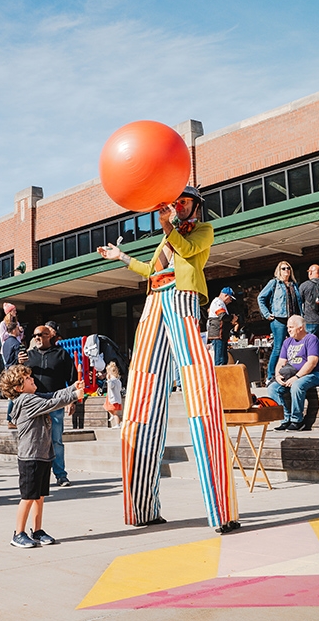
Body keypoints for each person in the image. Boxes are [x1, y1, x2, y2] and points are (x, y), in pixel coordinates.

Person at [97, 185, 239, 533]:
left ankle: (222, 512)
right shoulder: (168, 235)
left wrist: (168, 226)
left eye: (184, 201)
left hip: (182, 298)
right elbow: (150, 270)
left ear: (195, 206)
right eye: (175, 202)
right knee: (142, 393)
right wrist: (121, 257)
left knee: (197, 381)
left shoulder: (203, 230)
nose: (178, 205)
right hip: (154, 302)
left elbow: (188, 250)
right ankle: (142, 508)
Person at [0, 364, 84, 548]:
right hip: (30, 457)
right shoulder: (26, 400)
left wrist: (72, 388)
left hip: (42, 455)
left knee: (40, 496)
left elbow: (52, 395)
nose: (32, 379)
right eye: (27, 379)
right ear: (20, 388)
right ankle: (18, 533)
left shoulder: (34, 396)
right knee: (28, 497)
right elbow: (51, 404)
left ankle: (37, 531)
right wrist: (74, 396)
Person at [19, 325, 76, 487]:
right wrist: (19, 363)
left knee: (56, 440)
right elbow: (17, 378)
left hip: (55, 401)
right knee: (35, 440)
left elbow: (72, 379)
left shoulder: (61, 354)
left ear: (49, 335)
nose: (36, 338)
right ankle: (38, 475)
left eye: (40, 335)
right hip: (35, 404)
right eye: (35, 335)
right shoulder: (28, 356)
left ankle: (60, 475)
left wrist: (71, 400)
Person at [269, 315, 319, 432]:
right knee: (272, 388)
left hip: (314, 374)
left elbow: (312, 362)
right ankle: (285, 419)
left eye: (291, 327)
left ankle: (297, 421)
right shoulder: (287, 342)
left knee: (297, 385)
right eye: (288, 327)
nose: (288, 330)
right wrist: (278, 375)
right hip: (292, 375)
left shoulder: (311, 339)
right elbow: (281, 362)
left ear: (300, 328)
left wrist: (297, 377)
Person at [257, 262, 303, 384]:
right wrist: (267, 314)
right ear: (279, 270)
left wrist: (301, 317)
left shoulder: (294, 285)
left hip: (293, 319)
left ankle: (287, 373)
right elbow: (261, 297)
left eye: (288, 268)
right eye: (283, 268)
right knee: (278, 347)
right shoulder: (274, 283)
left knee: (294, 347)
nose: (286, 270)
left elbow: (298, 302)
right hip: (279, 319)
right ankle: (270, 376)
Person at [1, 320, 23, 429]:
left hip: (7, 370)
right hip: (15, 371)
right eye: (18, 328)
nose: (19, 330)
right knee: (15, 396)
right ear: (14, 329)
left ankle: (11, 419)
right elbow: (19, 359)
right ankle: (11, 419)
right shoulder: (16, 343)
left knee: (12, 396)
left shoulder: (5, 343)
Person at [207, 287, 235, 366]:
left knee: (224, 358)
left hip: (221, 335)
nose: (230, 301)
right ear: (226, 295)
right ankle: (219, 377)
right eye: (230, 298)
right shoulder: (217, 303)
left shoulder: (221, 303)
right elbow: (222, 316)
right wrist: (232, 317)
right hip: (218, 334)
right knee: (220, 359)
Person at [104, 361, 123, 427]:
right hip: (115, 398)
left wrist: (108, 379)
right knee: (106, 407)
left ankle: (117, 424)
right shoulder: (118, 380)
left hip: (113, 399)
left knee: (115, 413)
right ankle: (113, 416)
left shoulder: (112, 380)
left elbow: (111, 386)